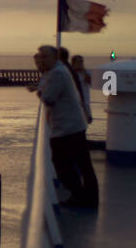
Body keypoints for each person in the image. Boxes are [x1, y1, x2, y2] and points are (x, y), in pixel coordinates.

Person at [32, 45, 98, 208]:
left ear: (55, 58)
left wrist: (40, 92)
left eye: (45, 57)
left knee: (62, 163)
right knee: (82, 163)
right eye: (40, 56)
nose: (41, 59)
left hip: (67, 128)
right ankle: (87, 197)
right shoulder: (58, 71)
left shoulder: (57, 73)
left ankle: (80, 196)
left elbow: (48, 98)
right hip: (72, 125)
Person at [70, 54, 93, 124]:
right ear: (73, 63)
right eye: (79, 62)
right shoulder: (69, 73)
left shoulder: (86, 72)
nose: (81, 63)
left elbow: (89, 81)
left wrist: (83, 71)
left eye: (82, 62)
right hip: (73, 102)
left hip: (85, 101)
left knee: (87, 121)